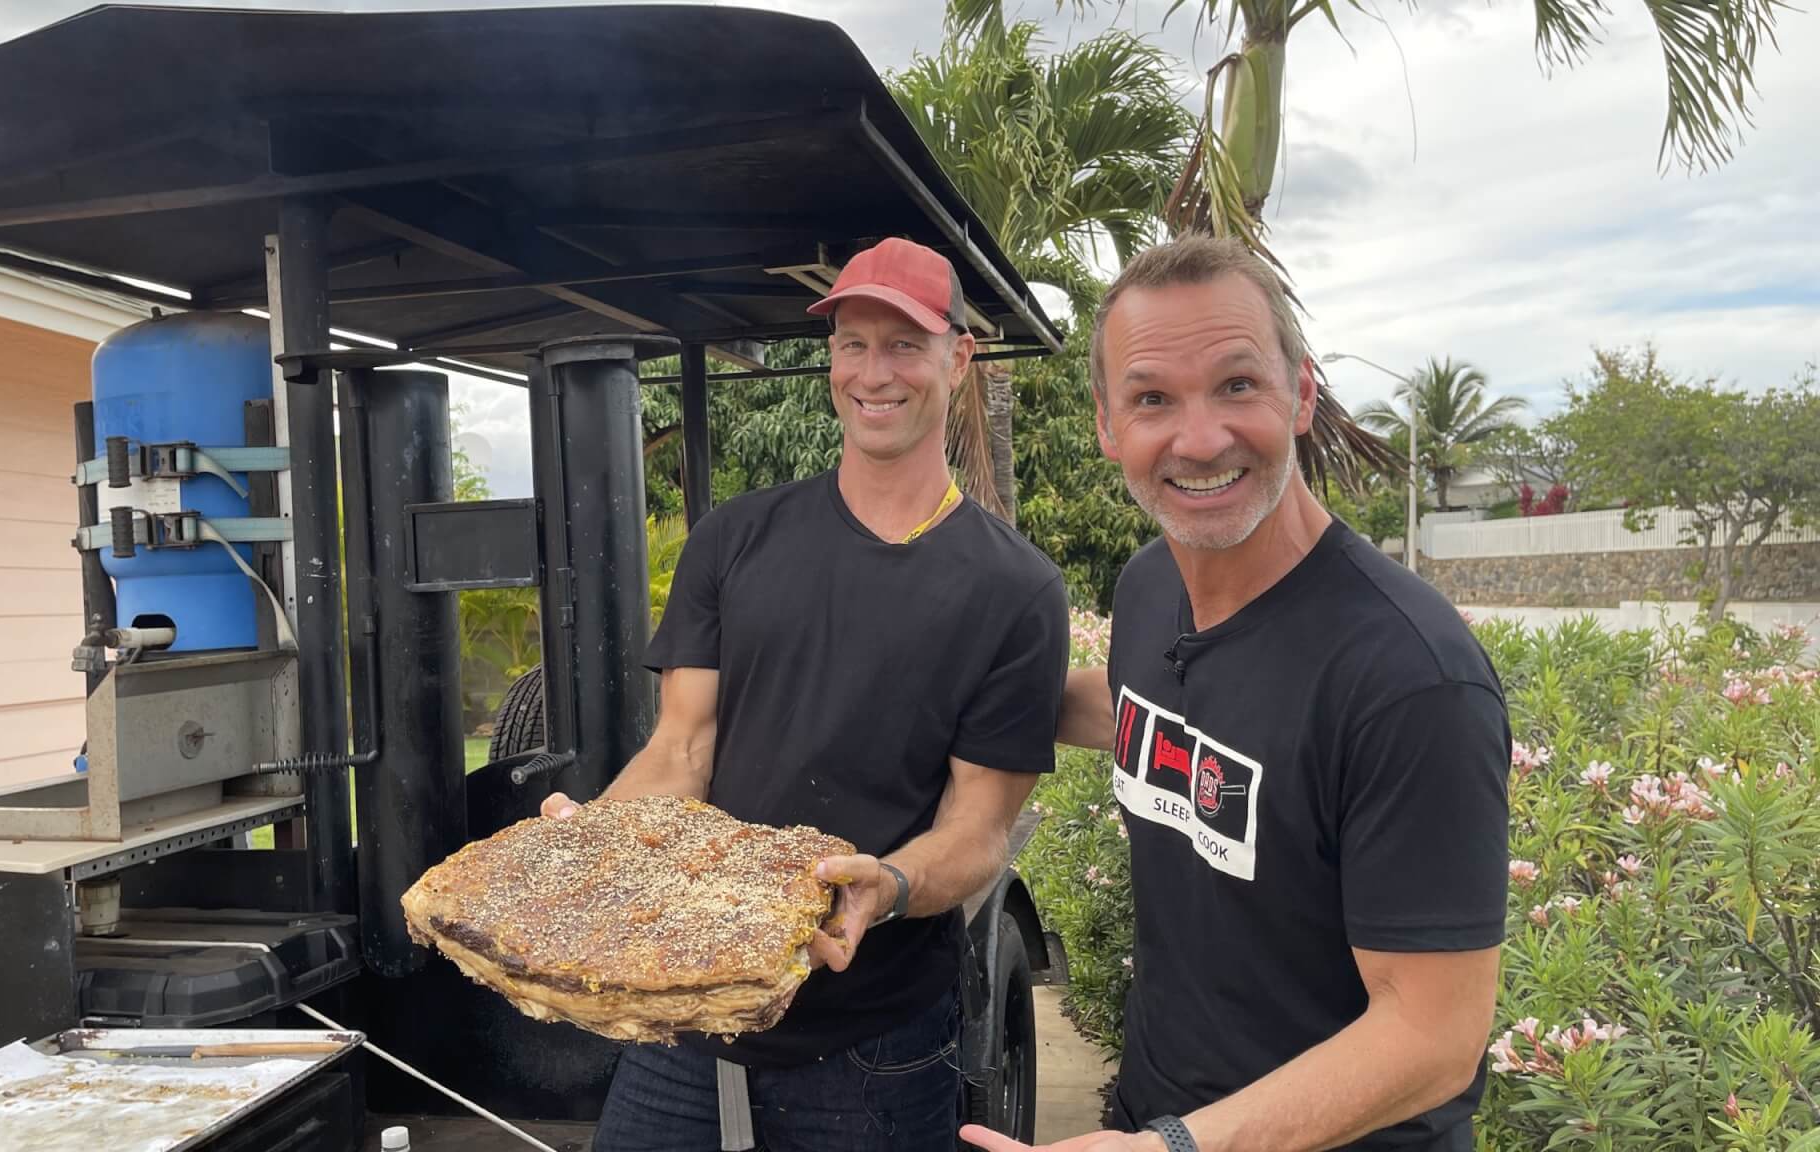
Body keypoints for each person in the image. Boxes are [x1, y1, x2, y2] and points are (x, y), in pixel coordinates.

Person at [963, 236, 1509, 1152]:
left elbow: (1434, 1037)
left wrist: (1176, 1148)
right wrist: (939, 698)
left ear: (1300, 395)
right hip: (1156, 1107)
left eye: (1237, 385)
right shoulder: (1150, 587)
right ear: (1108, 425)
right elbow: (1144, 705)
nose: (1200, 437)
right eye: (1151, 399)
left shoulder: (1411, 680)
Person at [543, 236, 1070, 1152]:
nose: (874, 373)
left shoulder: (1014, 590)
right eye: (852, 343)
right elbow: (682, 751)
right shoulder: (736, 537)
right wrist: (589, 851)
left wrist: (892, 884)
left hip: (875, 1041)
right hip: (691, 1008)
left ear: (958, 356)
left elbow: (977, 831)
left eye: (904, 344)